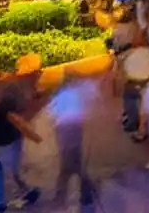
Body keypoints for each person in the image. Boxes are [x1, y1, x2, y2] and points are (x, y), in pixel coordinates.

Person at [0, 55, 44, 212]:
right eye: (39, 70)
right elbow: (15, 118)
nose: (41, 73)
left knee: (7, 167)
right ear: (31, 73)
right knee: (1, 170)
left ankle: (23, 192)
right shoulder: (14, 90)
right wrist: (35, 136)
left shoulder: (16, 85)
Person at [47, 72, 98, 206]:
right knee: (76, 161)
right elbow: (84, 111)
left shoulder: (59, 96)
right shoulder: (77, 95)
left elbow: (52, 114)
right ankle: (86, 194)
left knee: (66, 166)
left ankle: (60, 198)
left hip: (64, 130)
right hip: (75, 128)